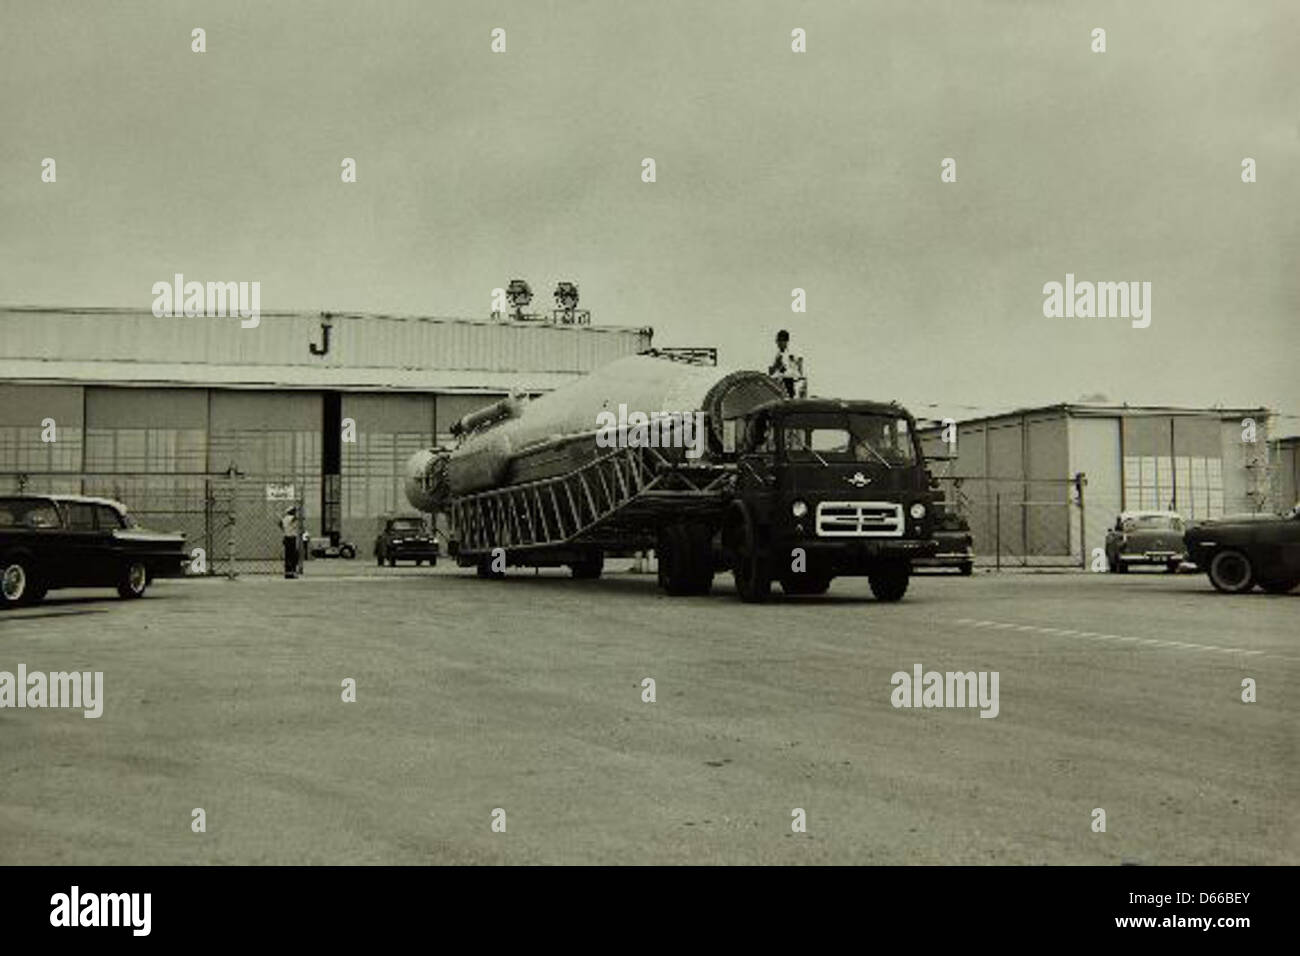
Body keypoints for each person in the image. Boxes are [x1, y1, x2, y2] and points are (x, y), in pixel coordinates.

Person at [768, 329, 807, 398]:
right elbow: (770, 372)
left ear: (786, 341)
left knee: (792, 399)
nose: (779, 343)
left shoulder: (793, 351)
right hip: (780, 382)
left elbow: (800, 364)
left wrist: (802, 379)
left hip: (792, 380)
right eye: (778, 341)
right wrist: (776, 364)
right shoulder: (776, 354)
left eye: (781, 341)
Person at [280, 507, 301, 578]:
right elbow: (295, 519)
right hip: (292, 538)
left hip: (286, 537)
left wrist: (284, 529)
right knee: (293, 556)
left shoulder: (284, 518)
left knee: (287, 556)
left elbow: (280, 523)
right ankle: (293, 572)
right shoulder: (292, 518)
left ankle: (287, 572)